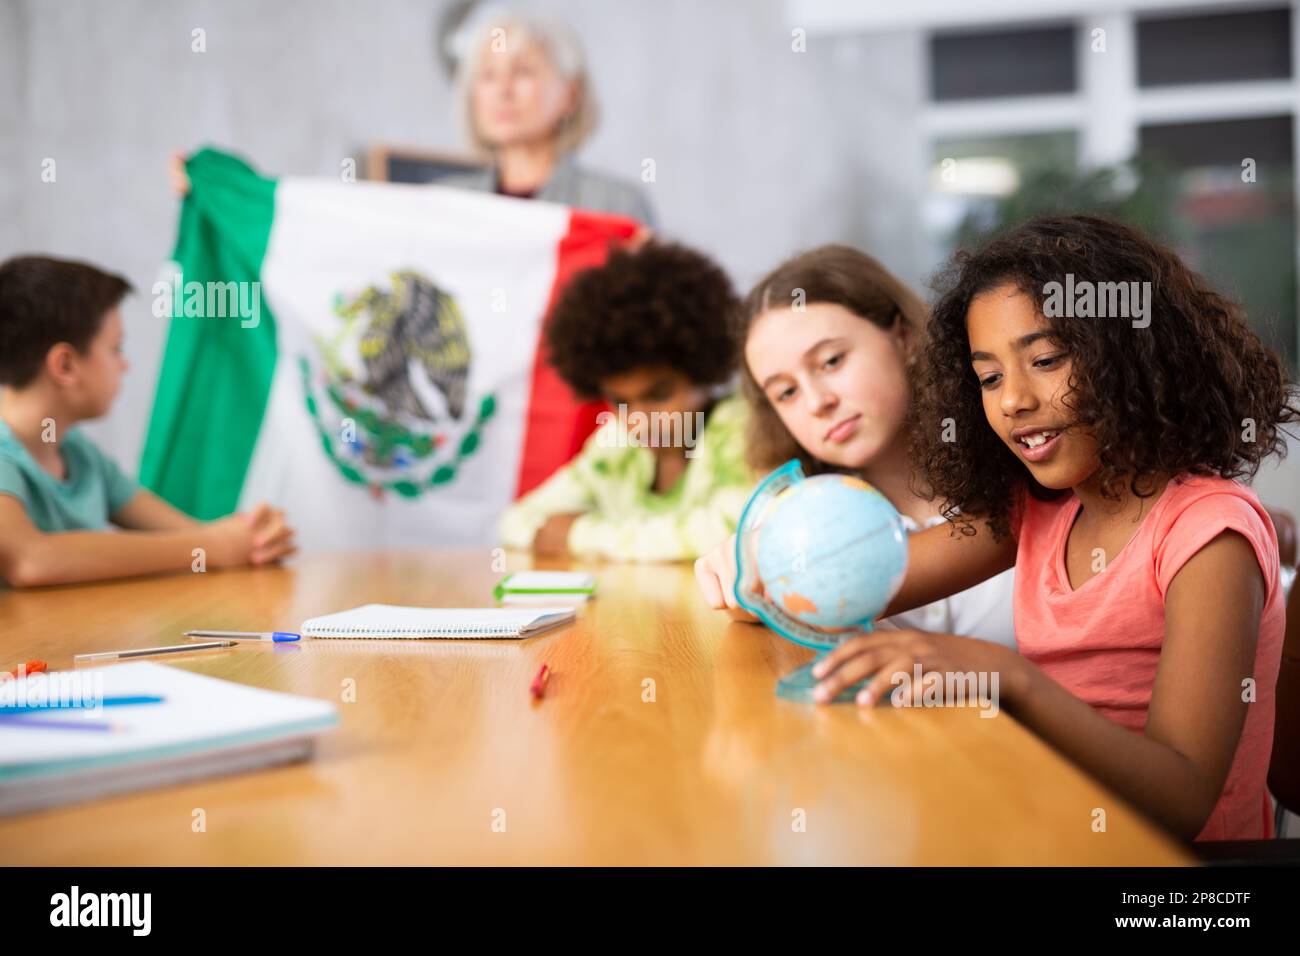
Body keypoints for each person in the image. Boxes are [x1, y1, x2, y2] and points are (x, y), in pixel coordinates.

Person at [703, 216, 1296, 841]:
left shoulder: (1208, 536)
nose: (1012, 399)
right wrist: (747, 573)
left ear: (1132, 353)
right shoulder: (1034, 512)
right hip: (1053, 826)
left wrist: (1007, 677)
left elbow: (1181, 799)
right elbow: (847, 585)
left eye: (1044, 359)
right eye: (988, 377)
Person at [697, 244, 1016, 647]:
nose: (818, 402)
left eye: (831, 361)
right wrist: (747, 587)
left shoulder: (1025, 475)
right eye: (786, 392)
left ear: (905, 338)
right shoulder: (798, 521)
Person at [0, 255, 296, 587]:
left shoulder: (77, 453)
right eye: (116, 349)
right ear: (65, 366)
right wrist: (215, 546)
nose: (124, 365)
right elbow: (30, 560)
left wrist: (251, 537)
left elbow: (193, 534)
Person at [499, 241, 754, 561]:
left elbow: (732, 533)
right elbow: (518, 521)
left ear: (703, 373)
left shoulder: (740, 429)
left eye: (658, 395)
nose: (638, 419)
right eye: (621, 402)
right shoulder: (616, 444)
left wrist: (581, 535)